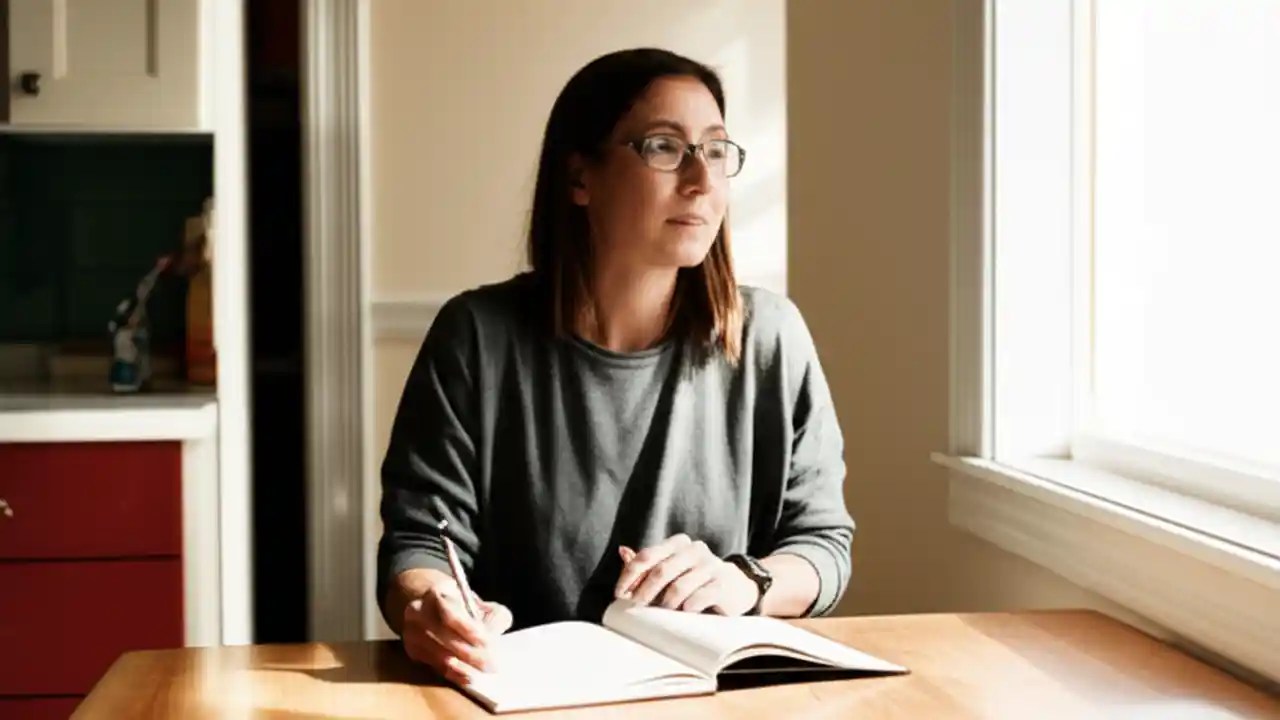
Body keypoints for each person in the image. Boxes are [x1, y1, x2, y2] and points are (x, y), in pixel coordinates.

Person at [377, 47, 854, 687]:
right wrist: (432, 604)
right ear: (580, 178)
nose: (701, 179)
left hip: (716, 699)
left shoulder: (771, 337)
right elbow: (419, 543)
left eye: (715, 150)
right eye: (664, 147)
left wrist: (745, 581)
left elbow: (823, 547)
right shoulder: (476, 337)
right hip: (522, 697)